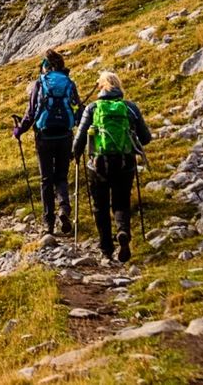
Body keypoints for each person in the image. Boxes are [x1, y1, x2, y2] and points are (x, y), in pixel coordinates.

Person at [73, 71, 152, 263]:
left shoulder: (92, 109)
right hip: (125, 163)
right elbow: (146, 138)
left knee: (100, 206)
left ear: (101, 87)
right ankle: (123, 231)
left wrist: (75, 155)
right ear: (119, 86)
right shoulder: (130, 108)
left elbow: (80, 138)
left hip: (97, 165)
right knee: (121, 201)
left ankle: (106, 249)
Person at [12, 49, 81, 236]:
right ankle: (64, 210)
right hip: (65, 135)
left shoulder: (40, 83)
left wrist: (19, 130)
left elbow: (31, 112)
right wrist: (74, 121)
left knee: (46, 179)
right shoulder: (69, 83)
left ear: (46, 67)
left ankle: (48, 223)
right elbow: (79, 108)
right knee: (61, 176)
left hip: (44, 137)